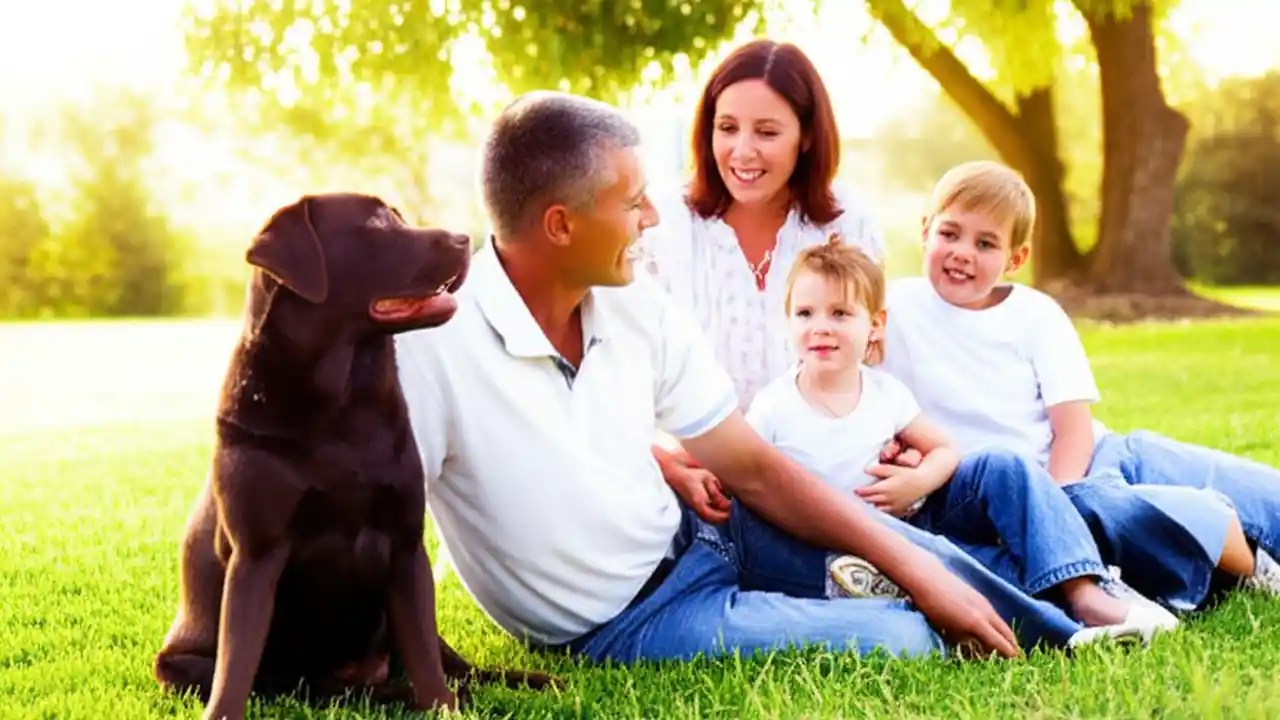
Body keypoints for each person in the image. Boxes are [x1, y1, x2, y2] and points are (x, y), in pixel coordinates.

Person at [393, 90, 1114, 667]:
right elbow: (381, 525)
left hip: (707, 530)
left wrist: (921, 575)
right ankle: (935, 592)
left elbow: (754, 468)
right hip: (633, 619)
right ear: (560, 225)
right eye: (633, 200)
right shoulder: (436, 345)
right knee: (905, 639)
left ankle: (1081, 617)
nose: (652, 216)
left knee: (913, 557)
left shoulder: (633, 303)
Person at [732, 237, 1176, 644]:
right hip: (846, 553)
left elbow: (945, 450)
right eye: (805, 314)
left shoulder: (884, 392)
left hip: (915, 523)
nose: (821, 327)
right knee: (971, 564)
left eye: (840, 314)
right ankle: (1063, 629)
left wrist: (917, 482)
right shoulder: (774, 406)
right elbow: (745, 481)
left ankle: (1084, 591)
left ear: (875, 325)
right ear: (787, 321)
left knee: (1004, 465)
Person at [880, 160, 1280, 609]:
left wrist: (1060, 498)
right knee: (1123, 509)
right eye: (949, 233)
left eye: (986, 243)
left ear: (1017, 258)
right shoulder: (892, 309)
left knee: (1258, 490)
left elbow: (1073, 428)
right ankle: (1249, 562)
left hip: (1095, 456)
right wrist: (1053, 514)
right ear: (925, 230)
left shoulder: (1035, 314)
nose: (962, 252)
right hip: (1025, 497)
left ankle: (1235, 529)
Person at [632, 38, 886, 517]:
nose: (742, 152)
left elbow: (870, 357)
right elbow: (621, 374)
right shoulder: (663, 225)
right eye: (727, 128)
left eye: (766, 132)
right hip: (694, 482)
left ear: (806, 136)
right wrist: (666, 464)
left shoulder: (846, 223)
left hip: (823, 476)